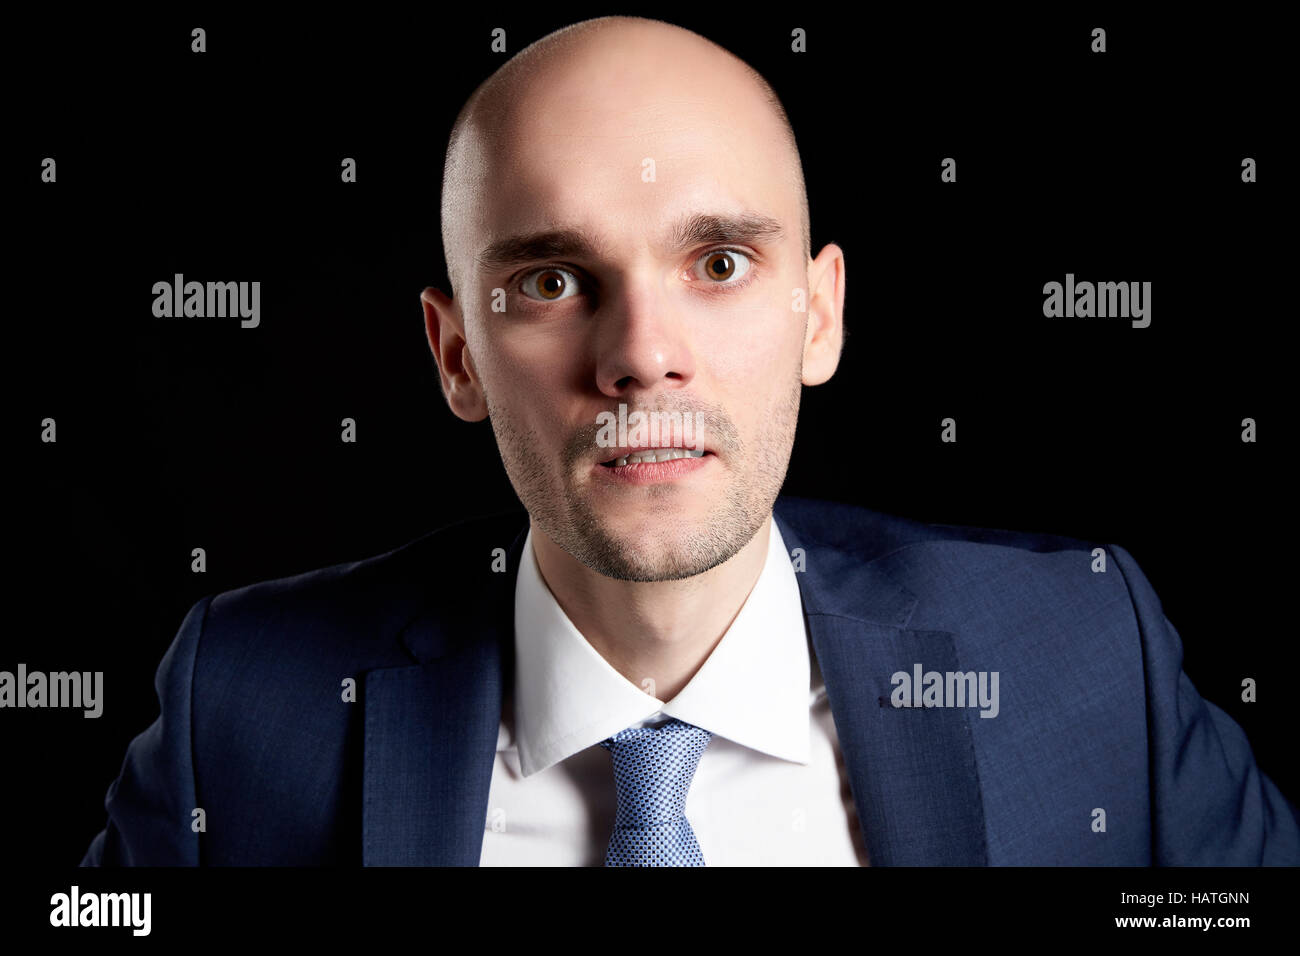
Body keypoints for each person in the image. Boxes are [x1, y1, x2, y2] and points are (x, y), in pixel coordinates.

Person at [82, 15, 1299, 866]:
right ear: (455, 355)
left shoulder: (1085, 658)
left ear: (817, 313)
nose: (641, 353)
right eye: (555, 279)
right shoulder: (242, 707)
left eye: (719, 263)